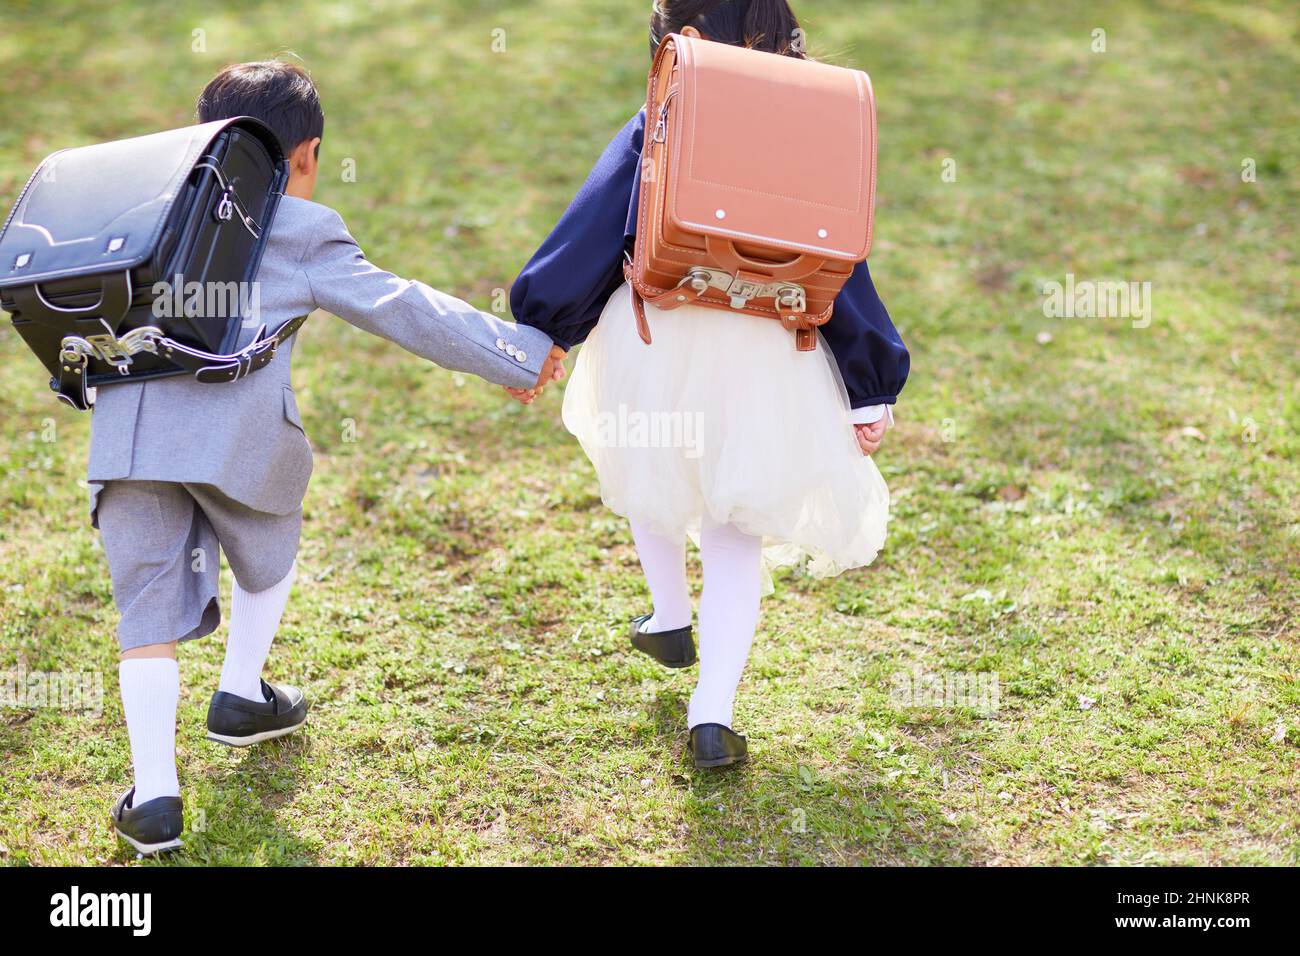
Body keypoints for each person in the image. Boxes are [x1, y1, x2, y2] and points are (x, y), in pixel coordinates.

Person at [98, 60, 565, 855]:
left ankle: (157, 799)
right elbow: (402, 307)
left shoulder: (138, 205)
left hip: (127, 441)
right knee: (270, 545)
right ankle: (241, 692)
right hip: (236, 448)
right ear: (306, 155)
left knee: (144, 607)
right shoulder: (298, 227)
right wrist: (515, 356)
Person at [509, 0, 909, 768]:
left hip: (660, 331)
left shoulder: (663, 117)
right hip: (767, 344)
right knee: (734, 535)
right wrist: (867, 381)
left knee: (646, 466)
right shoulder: (807, 127)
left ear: (682, 40)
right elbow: (841, 262)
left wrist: (548, 324)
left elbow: (595, 229)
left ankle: (666, 611)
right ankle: (713, 713)